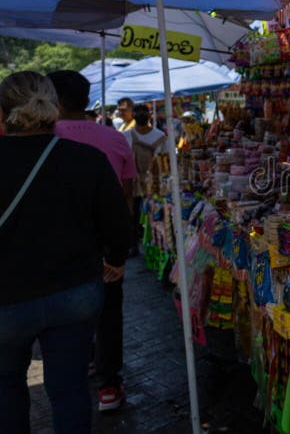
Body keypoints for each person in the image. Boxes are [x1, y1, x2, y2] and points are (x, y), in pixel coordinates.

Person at [0, 72, 130, 433]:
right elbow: (119, 223)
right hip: (75, 294)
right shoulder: (87, 159)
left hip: (7, 299)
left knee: (6, 385)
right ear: (53, 107)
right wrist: (116, 260)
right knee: (69, 388)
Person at [48, 70, 137, 412]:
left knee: (65, 316)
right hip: (104, 244)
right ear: (87, 100)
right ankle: (109, 386)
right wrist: (119, 247)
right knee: (109, 312)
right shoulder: (114, 138)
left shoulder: (37, 138)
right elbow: (127, 196)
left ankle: (83, 363)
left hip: (57, 247)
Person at [125, 104, 166, 251]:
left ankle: (155, 246)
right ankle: (133, 245)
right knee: (132, 214)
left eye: (143, 113)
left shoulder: (160, 136)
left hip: (156, 181)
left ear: (149, 116)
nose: (141, 116)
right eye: (138, 113)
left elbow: (165, 160)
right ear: (133, 116)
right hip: (133, 180)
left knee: (154, 215)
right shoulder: (127, 135)